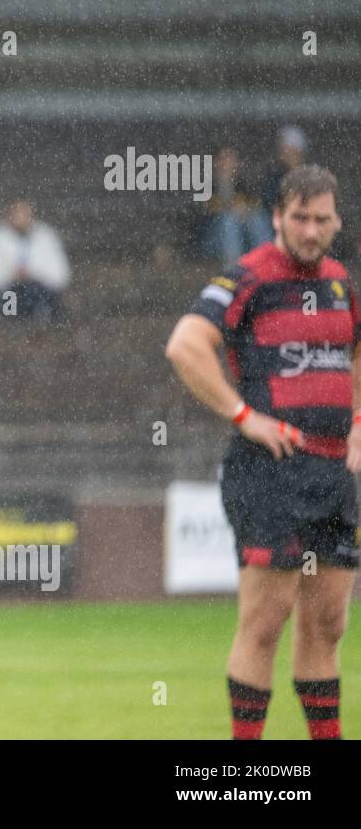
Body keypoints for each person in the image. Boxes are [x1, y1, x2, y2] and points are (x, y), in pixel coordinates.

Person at [165, 165, 358, 740]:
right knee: (266, 624)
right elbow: (185, 344)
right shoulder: (247, 278)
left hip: (331, 475)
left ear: (336, 222)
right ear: (276, 216)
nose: (309, 230)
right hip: (270, 475)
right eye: (299, 218)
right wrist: (244, 415)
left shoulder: (342, 283)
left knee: (327, 627)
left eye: (321, 219)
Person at [0, 200, 69, 322]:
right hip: (6, 292)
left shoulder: (45, 238)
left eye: (25, 214)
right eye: (17, 215)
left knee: (39, 298)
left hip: (36, 291)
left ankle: (39, 325)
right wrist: (10, 275)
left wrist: (32, 273)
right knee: (7, 302)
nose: (21, 219)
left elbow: (59, 276)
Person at [203, 146, 272, 265]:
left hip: (243, 234)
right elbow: (205, 212)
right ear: (216, 161)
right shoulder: (207, 183)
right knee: (229, 220)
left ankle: (268, 260)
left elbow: (256, 203)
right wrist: (230, 209)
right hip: (213, 237)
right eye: (225, 158)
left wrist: (246, 210)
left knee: (257, 218)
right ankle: (233, 269)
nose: (229, 163)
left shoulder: (243, 183)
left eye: (232, 159)